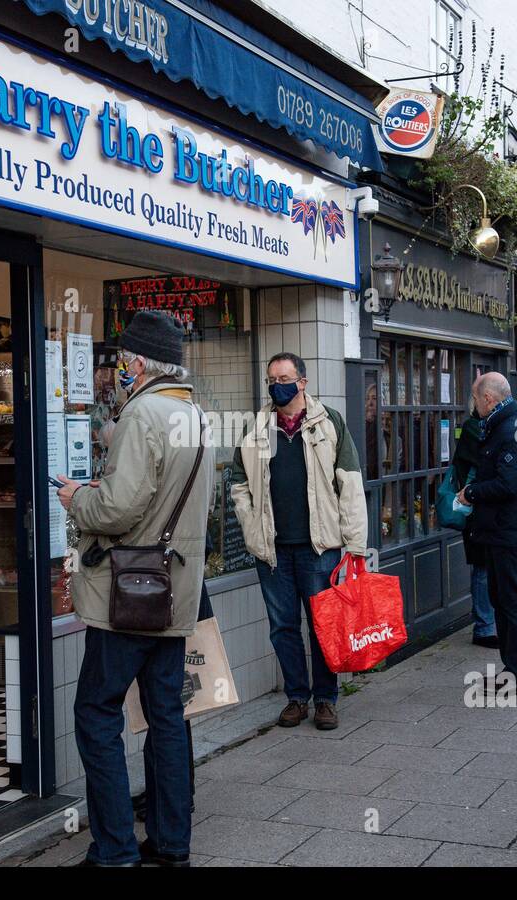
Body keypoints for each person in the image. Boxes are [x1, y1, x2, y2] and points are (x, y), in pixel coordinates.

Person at [58, 309, 212, 867]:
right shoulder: (194, 414)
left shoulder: (141, 414)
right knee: (166, 715)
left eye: (122, 361)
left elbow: (119, 507)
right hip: (174, 592)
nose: (118, 370)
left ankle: (115, 850)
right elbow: (200, 504)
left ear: (138, 363)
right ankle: (172, 845)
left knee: (96, 714)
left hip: (128, 594)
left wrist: (78, 497)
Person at [231, 352, 368, 732]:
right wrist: (249, 523)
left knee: (324, 625)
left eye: (285, 377)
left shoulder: (329, 423)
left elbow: (351, 485)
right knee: (283, 627)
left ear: (303, 382)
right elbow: (239, 482)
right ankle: (296, 697)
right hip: (273, 550)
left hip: (319, 547)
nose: (278, 385)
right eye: (272, 379)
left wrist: (355, 544)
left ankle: (326, 699)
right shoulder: (255, 428)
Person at [456, 372, 517, 687]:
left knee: (511, 601)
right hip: (500, 530)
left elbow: (510, 482)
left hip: (509, 532)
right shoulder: (503, 424)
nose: (474, 405)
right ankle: (514, 668)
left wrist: (472, 492)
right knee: (503, 599)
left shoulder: (512, 428)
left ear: (488, 399)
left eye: (476, 399)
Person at [454, 393, 497, 648]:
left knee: (494, 569)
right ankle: (484, 627)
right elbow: (486, 462)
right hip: (475, 506)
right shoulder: (473, 428)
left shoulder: (491, 426)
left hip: (490, 506)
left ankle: (495, 625)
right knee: (482, 568)